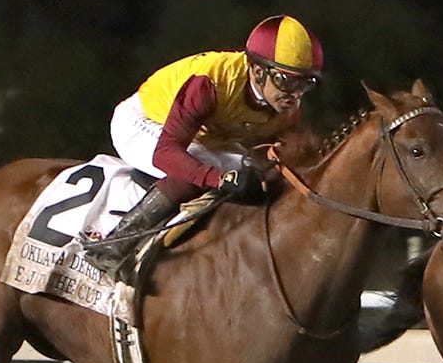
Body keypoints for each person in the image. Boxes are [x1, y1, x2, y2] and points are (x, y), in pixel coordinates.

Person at [82, 14, 325, 270]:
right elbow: (166, 154)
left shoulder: (287, 107)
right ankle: (112, 246)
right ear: (257, 71)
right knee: (199, 170)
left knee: (252, 171)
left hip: (199, 134)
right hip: (141, 121)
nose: (295, 94)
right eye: (286, 81)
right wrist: (219, 178)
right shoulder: (209, 83)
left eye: (306, 83)